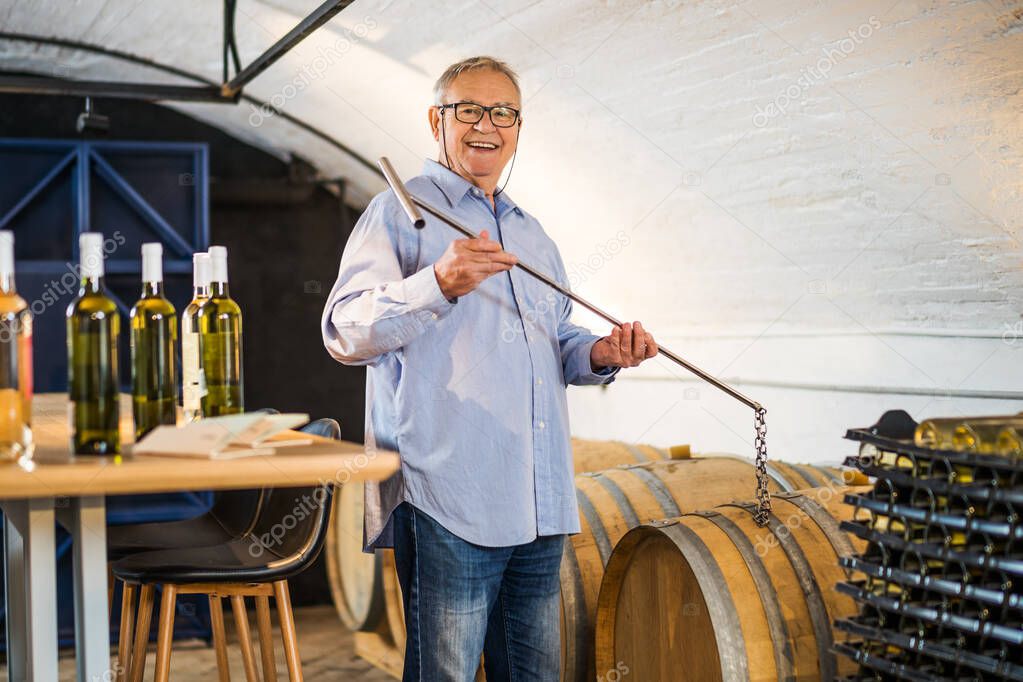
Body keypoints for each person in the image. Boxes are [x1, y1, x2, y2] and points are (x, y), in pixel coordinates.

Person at [321, 56, 657, 682]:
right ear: (436, 121)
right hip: (451, 495)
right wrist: (437, 285)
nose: (486, 125)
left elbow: (555, 341)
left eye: (503, 112)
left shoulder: (533, 235)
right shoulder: (398, 211)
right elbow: (345, 331)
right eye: (468, 109)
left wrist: (601, 354)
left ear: (518, 127)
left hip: (538, 497)